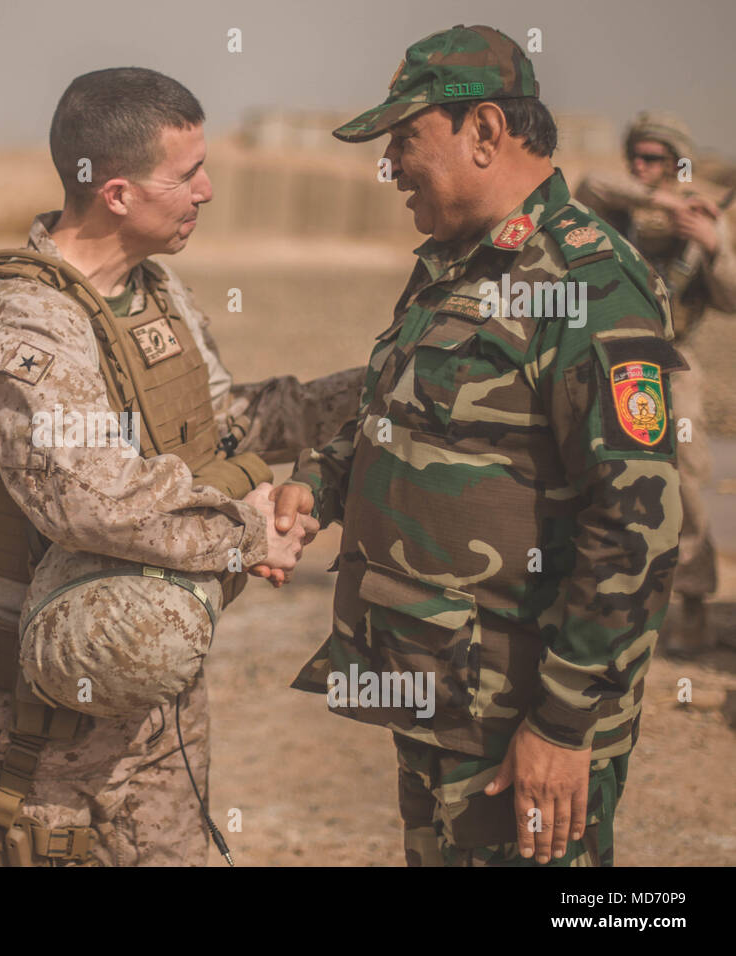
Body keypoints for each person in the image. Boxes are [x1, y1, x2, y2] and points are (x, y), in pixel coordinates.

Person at [0, 66, 364, 866]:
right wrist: (247, 533)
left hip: (151, 681)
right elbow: (90, 498)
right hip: (42, 704)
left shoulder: (154, 293)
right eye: (186, 174)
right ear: (116, 193)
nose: (208, 190)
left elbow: (223, 426)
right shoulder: (25, 317)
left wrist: (379, 386)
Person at [271, 25, 683, 866]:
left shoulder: (589, 286)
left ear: (485, 132)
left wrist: (564, 726)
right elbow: (400, 413)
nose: (389, 168)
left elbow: (637, 528)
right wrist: (322, 481)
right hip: (432, 685)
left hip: (520, 718)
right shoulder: (455, 268)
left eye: (404, 140)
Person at [575, 112, 736, 655]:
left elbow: (732, 298)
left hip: (672, 360)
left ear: (677, 161)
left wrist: (712, 245)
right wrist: (667, 203)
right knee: (597, 471)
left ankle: (691, 601)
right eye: (637, 157)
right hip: (606, 354)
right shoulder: (620, 206)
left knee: (687, 473)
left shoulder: (705, 220)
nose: (642, 167)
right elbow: (590, 185)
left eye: (655, 159)